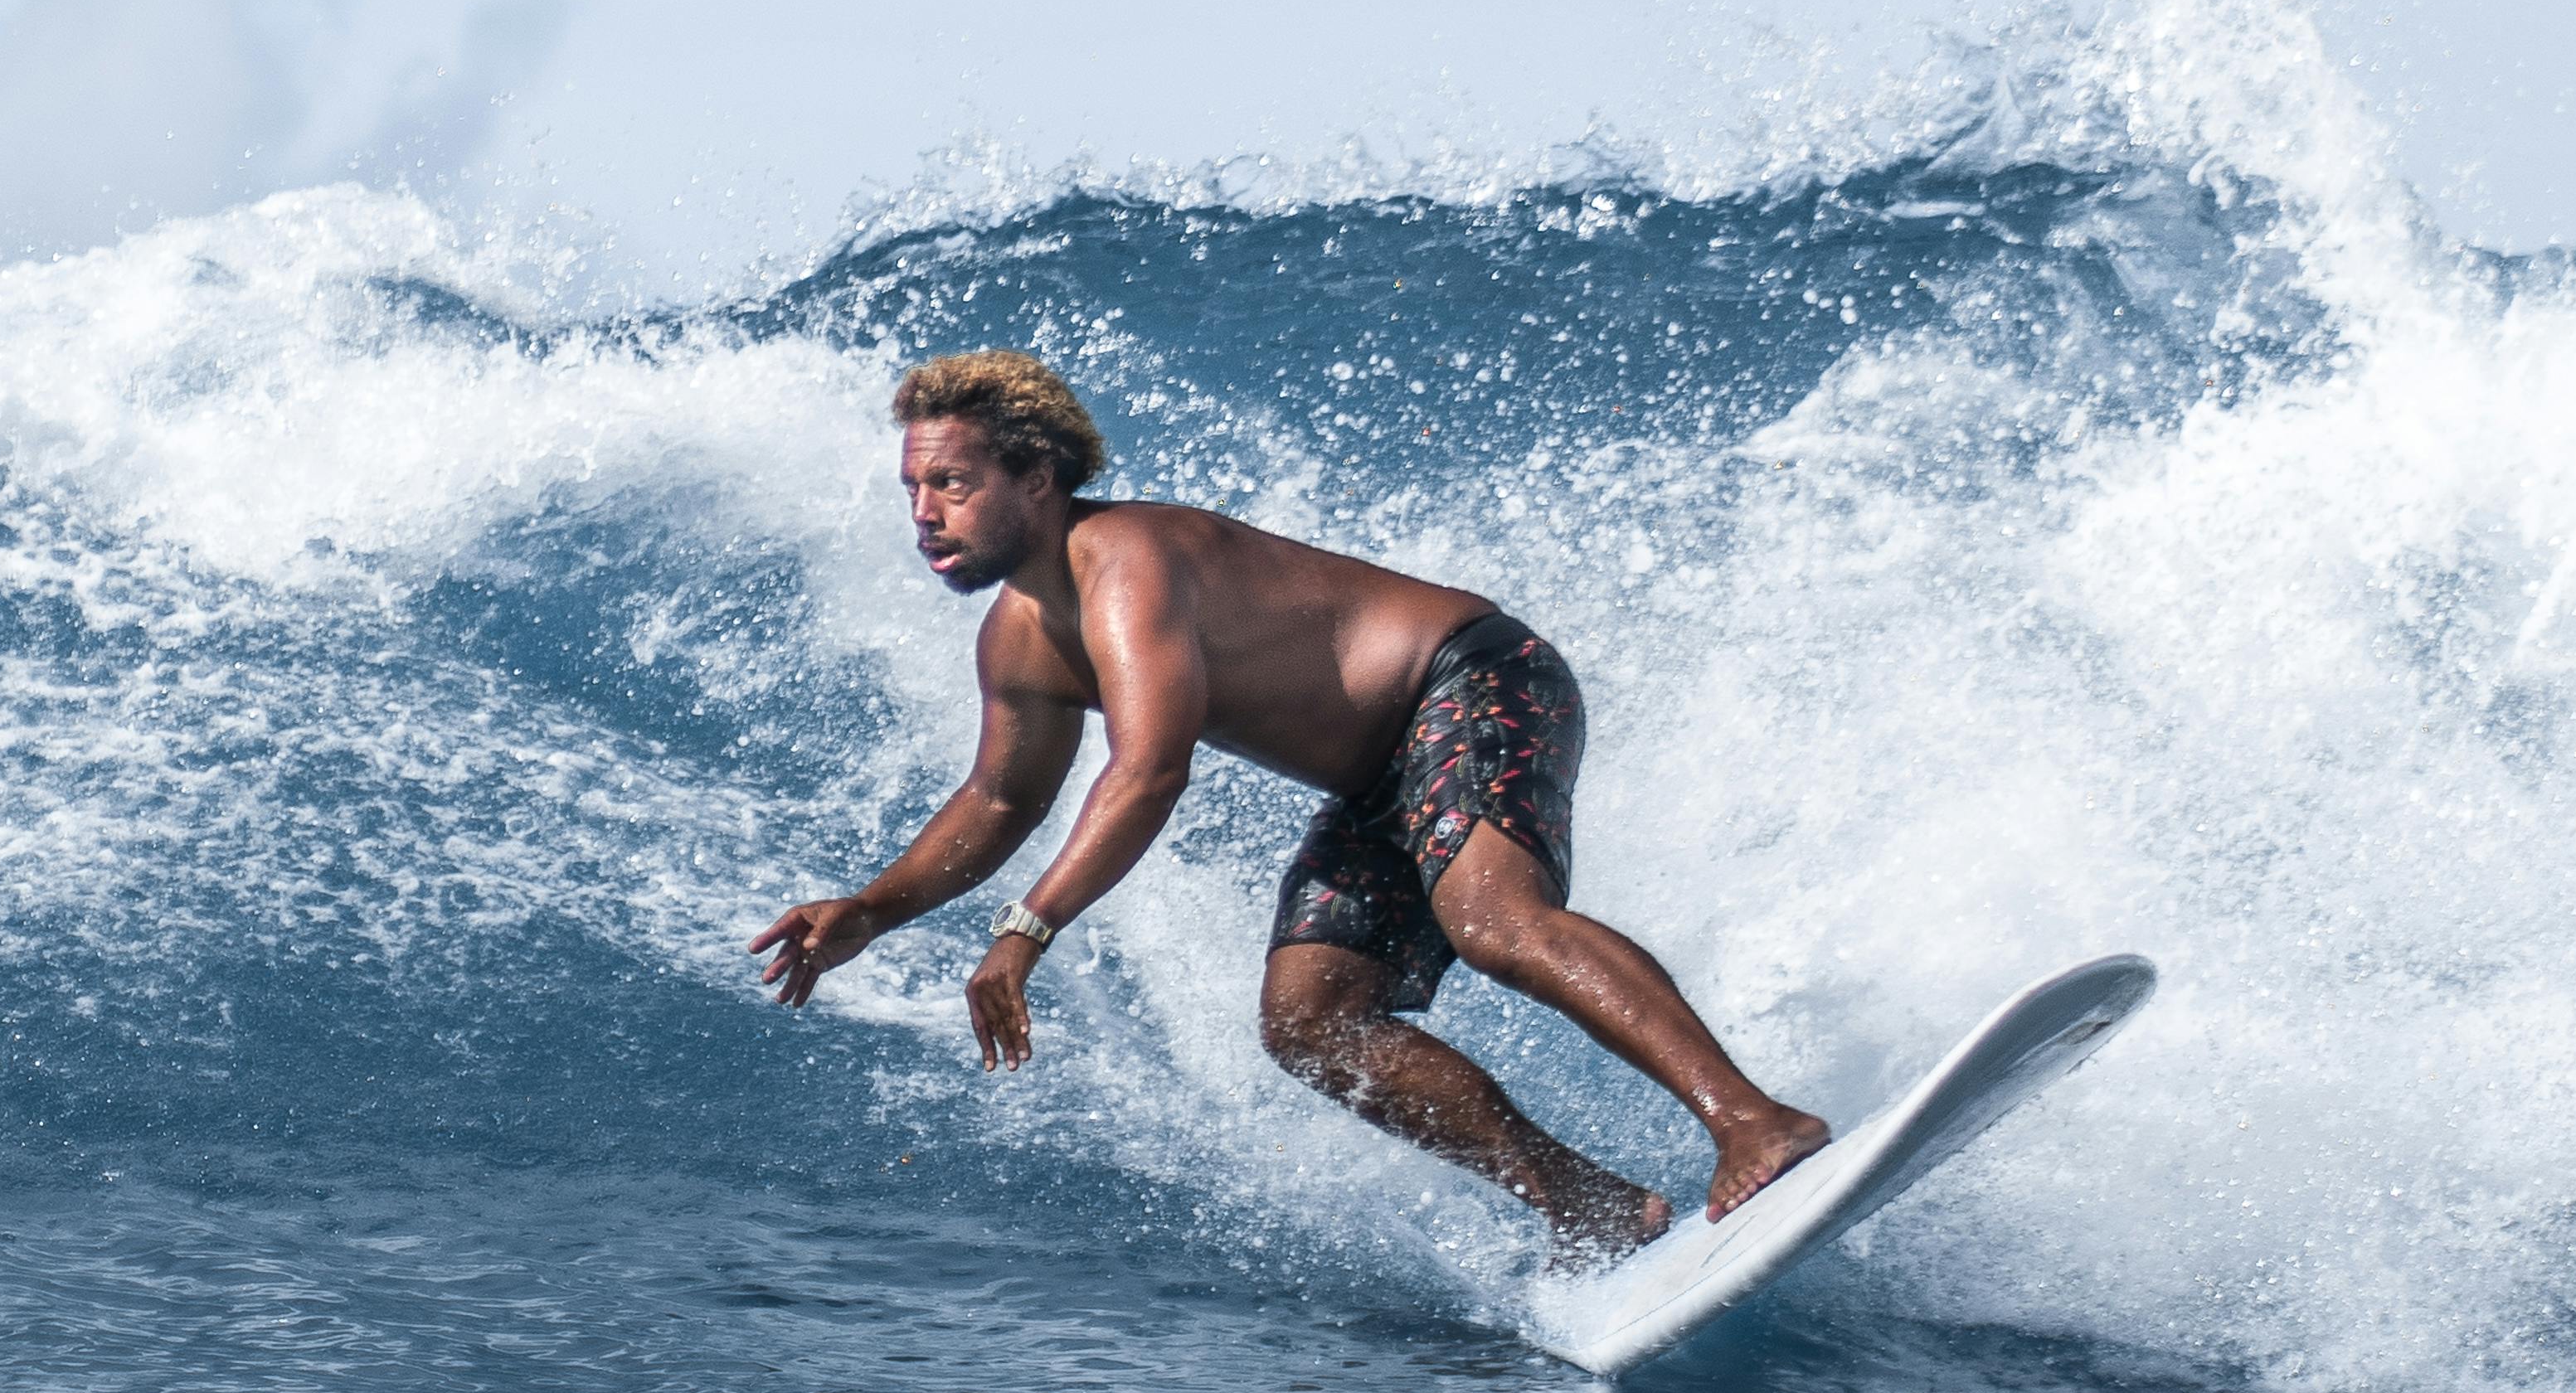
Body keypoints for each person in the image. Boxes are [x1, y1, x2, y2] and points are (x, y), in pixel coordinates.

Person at [751, 346, 1825, 1260]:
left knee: (1493, 921)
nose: (925, 514)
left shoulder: (1123, 559)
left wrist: (1025, 931)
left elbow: (1148, 766)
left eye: (950, 483)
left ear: (1034, 474)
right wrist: (870, 909)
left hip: (1472, 681)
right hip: (1381, 778)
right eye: (912, 490)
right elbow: (996, 798)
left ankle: (1751, 1122)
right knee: (1309, 1021)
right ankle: (1588, 1205)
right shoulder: (1020, 638)